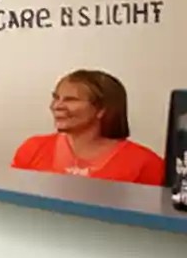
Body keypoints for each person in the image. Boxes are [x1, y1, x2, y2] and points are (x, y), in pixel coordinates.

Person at [12, 69, 163, 186]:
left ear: (101, 109)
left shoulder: (146, 164)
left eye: (71, 100)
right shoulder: (32, 149)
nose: (57, 106)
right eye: (56, 98)